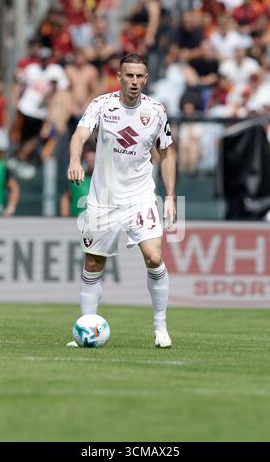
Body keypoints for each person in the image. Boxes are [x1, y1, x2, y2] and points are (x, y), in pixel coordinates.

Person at [67, 53, 176, 348]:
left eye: (140, 76)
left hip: (140, 196)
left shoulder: (156, 110)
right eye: (129, 75)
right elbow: (79, 135)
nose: (135, 82)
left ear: (147, 79)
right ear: (119, 77)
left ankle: (160, 327)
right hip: (104, 198)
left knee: (154, 258)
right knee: (93, 263)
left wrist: (170, 197)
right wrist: (75, 161)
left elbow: (167, 153)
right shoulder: (102, 105)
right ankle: (87, 328)